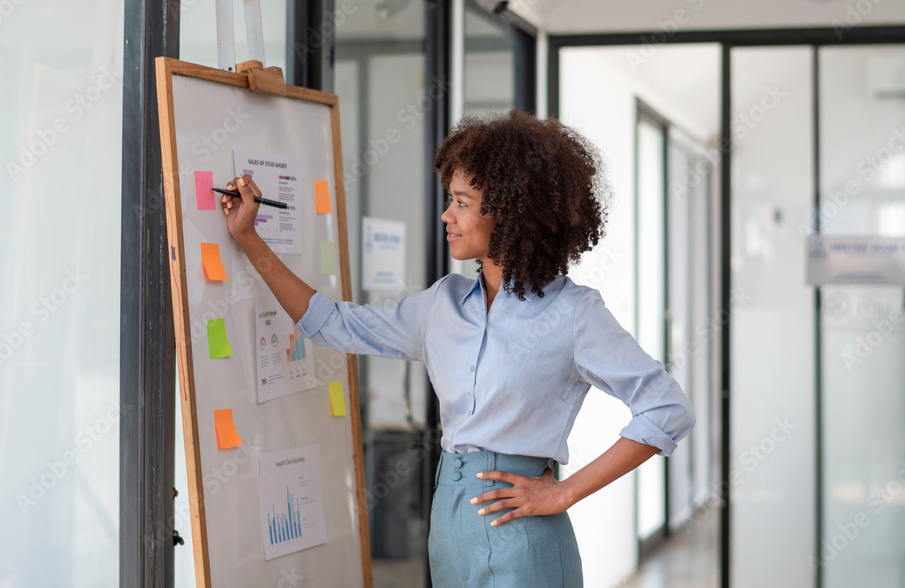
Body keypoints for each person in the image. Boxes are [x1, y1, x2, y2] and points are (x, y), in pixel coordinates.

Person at [221, 110, 694, 587]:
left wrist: (564, 493)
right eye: (450, 199)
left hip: (523, 535)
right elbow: (330, 323)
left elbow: (667, 408)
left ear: (510, 212)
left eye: (462, 202)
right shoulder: (441, 305)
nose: (447, 215)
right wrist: (247, 236)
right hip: (449, 528)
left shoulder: (574, 313)